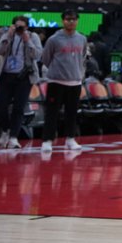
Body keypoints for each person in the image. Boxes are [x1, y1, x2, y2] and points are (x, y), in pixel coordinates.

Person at [40, 10, 89, 152]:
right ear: (63, 21)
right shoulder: (54, 39)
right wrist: (58, 71)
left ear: (77, 21)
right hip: (56, 81)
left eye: (73, 19)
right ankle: (47, 140)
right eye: (68, 19)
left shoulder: (82, 38)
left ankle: (70, 139)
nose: (71, 22)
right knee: (52, 112)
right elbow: (46, 59)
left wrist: (78, 74)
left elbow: (83, 57)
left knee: (72, 113)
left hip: (75, 82)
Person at [0, 16, 43, 150]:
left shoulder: (33, 36)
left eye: (22, 26)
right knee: (0, 104)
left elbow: (38, 55)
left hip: (24, 76)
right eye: (17, 26)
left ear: (27, 27)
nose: (20, 29)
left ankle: (14, 137)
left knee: (18, 107)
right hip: (6, 75)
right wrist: (7, 37)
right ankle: (5, 130)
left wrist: (28, 41)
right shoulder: (7, 35)